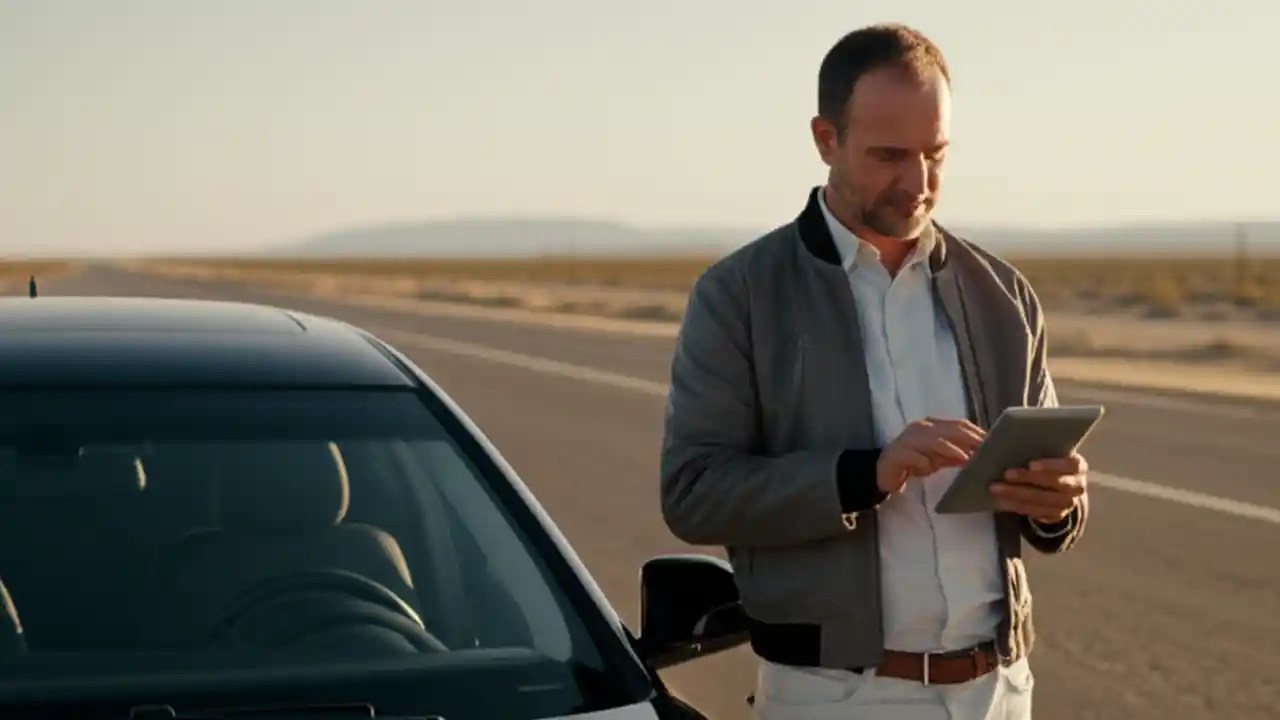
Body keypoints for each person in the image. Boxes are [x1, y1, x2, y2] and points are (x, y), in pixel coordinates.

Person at [659, 22, 1089, 720]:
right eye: (891, 155)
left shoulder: (1004, 295)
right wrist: (866, 473)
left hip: (998, 692)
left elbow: (1051, 500)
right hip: (835, 697)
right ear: (825, 139)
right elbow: (694, 493)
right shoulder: (740, 294)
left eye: (936, 154)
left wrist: (1058, 504)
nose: (919, 183)